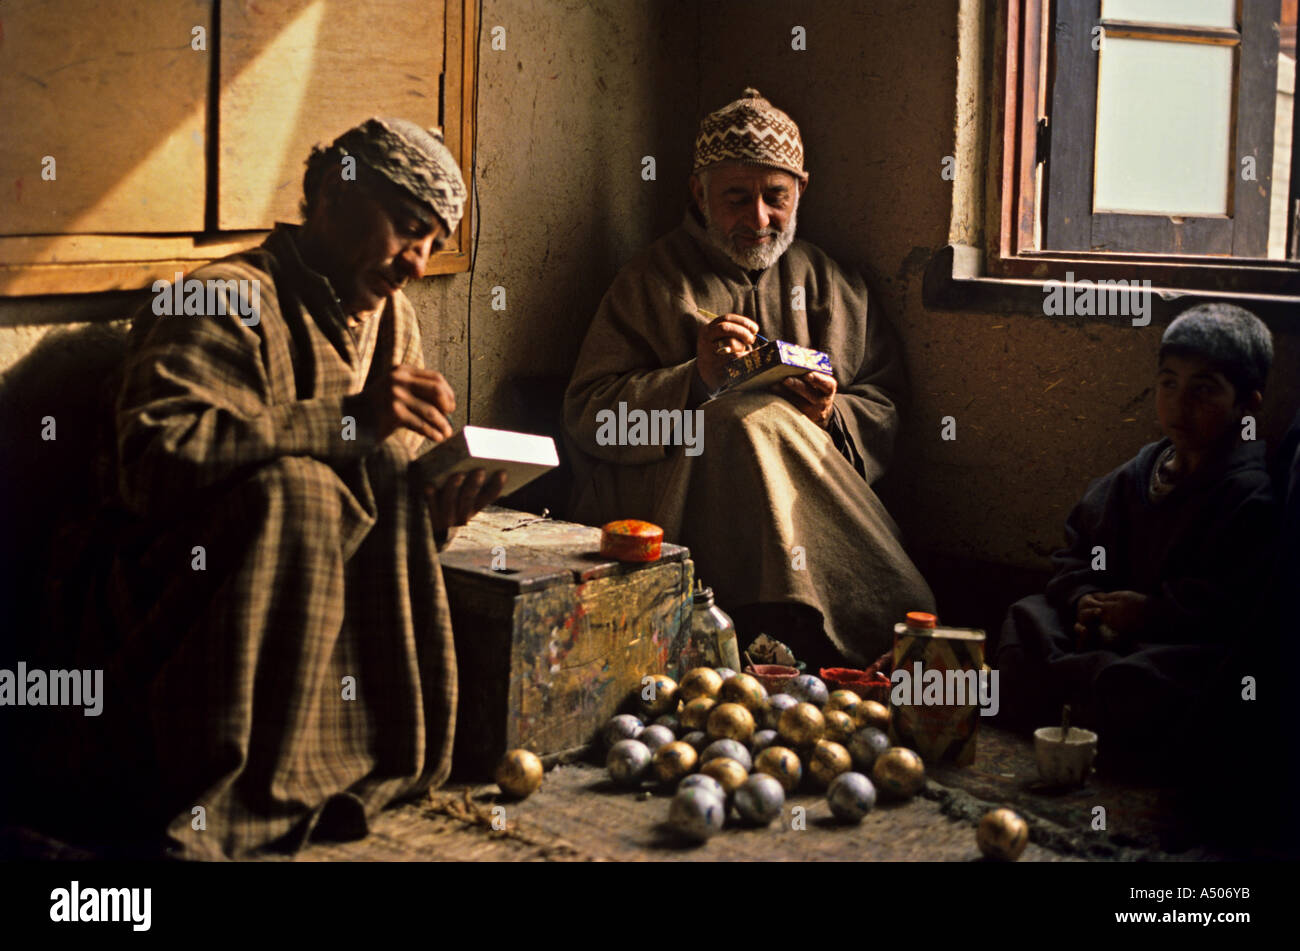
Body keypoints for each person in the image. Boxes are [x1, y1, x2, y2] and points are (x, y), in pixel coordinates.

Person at [60, 118, 504, 859]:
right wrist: (349, 421)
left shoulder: (390, 317)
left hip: (323, 617)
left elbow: (380, 495)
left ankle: (333, 760)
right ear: (337, 190)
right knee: (300, 491)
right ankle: (230, 781)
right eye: (407, 229)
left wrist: (438, 508)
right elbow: (152, 465)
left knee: (382, 475)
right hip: (173, 599)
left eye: (431, 244)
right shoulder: (217, 299)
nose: (416, 266)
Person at [563, 88, 935, 668]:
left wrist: (830, 417)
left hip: (811, 504)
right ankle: (794, 635)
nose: (757, 219)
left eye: (774, 197)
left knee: (758, 423)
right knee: (739, 423)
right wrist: (694, 380)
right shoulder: (652, 281)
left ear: (801, 190)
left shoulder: (835, 285)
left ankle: (805, 635)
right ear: (699, 193)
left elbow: (885, 403)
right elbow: (590, 415)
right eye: (736, 198)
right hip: (675, 501)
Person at [995, 304, 1278, 775]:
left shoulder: (1248, 496)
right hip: (1103, 638)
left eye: (1203, 391)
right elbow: (1079, 550)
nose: (1179, 405)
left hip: (1167, 650)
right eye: (1169, 384)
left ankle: (1080, 713)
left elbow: (1235, 605)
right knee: (1026, 617)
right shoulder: (1140, 472)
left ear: (1248, 404)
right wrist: (1083, 597)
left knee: (1162, 681)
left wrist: (1151, 613)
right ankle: (1083, 710)